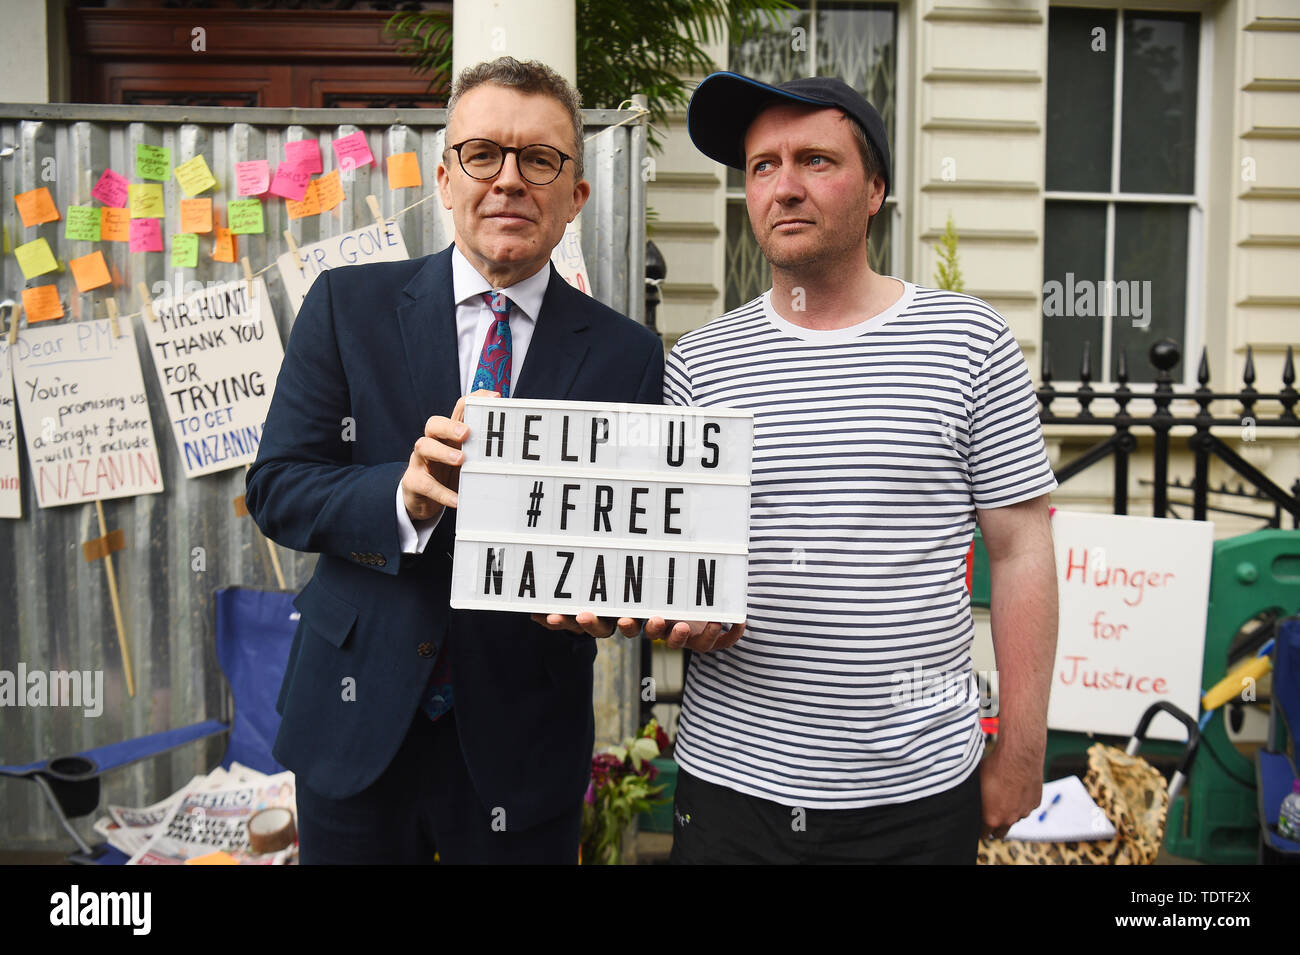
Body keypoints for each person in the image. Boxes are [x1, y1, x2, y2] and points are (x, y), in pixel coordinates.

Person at [245, 56, 664, 864]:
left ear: (576, 195)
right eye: (483, 155)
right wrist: (402, 497)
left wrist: (609, 600)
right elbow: (280, 489)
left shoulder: (628, 355)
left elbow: (624, 551)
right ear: (444, 178)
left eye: (539, 159)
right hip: (355, 721)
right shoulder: (346, 306)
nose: (509, 180)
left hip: (521, 739)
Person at [653, 72, 1059, 864]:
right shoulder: (700, 364)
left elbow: (1021, 548)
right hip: (734, 794)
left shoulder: (967, 342)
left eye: (815, 160)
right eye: (762, 165)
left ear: (875, 189)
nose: (785, 186)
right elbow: (675, 565)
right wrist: (677, 617)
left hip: (917, 798)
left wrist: (1022, 748)